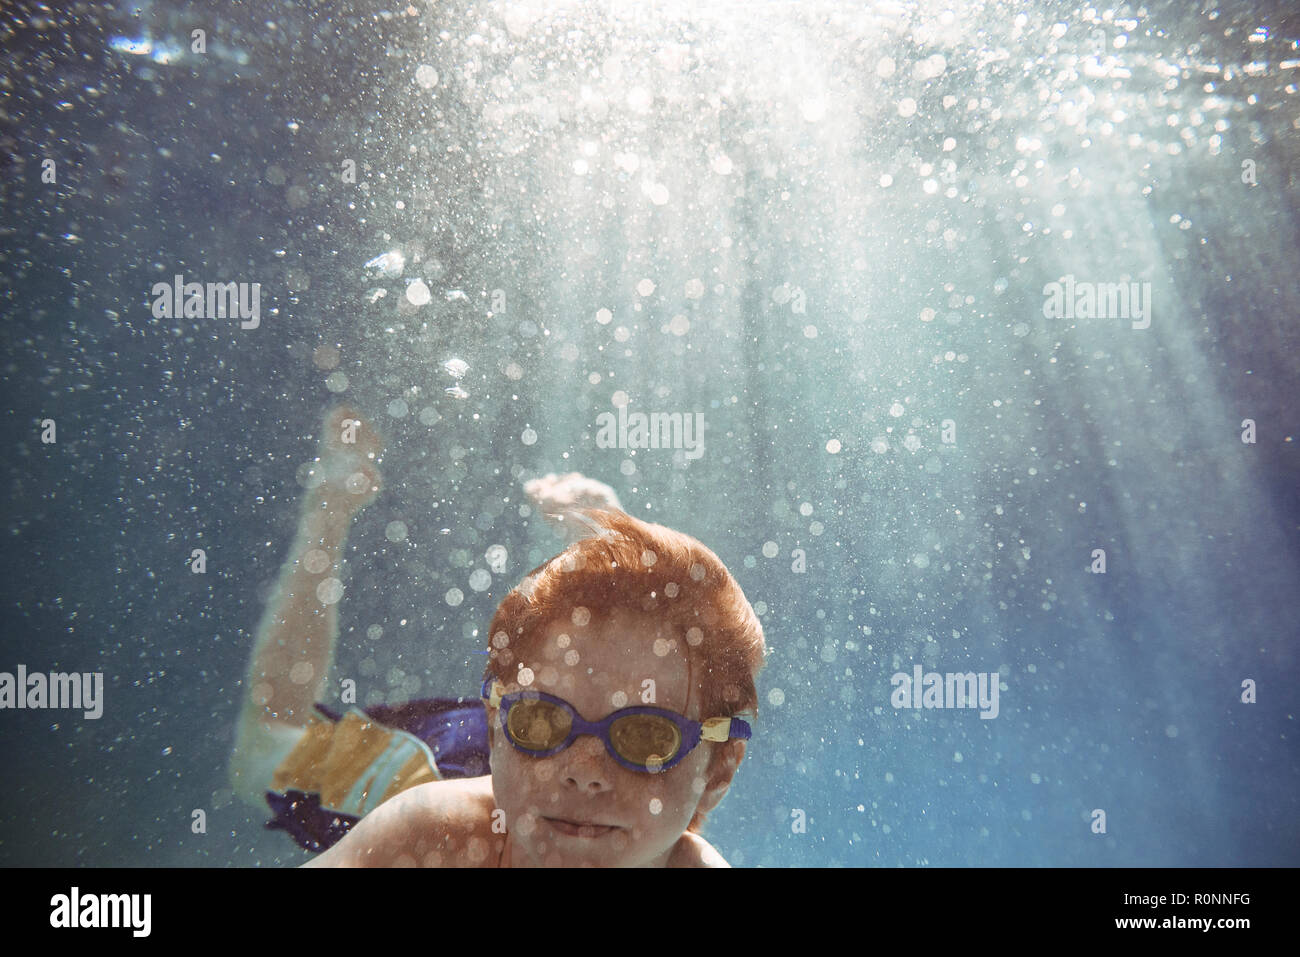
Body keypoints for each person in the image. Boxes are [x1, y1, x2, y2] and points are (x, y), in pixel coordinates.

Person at [229, 406, 765, 866]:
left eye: (648, 736)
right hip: (470, 753)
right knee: (262, 748)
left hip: (538, 732)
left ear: (723, 770)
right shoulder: (427, 833)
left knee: (656, 807)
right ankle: (328, 508)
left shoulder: (671, 799)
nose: (584, 774)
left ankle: (612, 547)